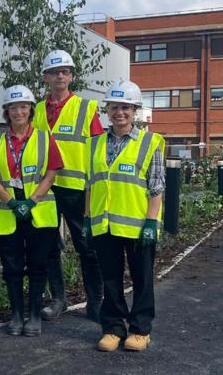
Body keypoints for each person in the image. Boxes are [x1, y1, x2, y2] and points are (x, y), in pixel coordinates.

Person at [85, 80, 165, 352]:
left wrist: (151, 222)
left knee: (142, 279)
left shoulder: (149, 142)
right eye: (115, 107)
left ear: (135, 111)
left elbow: (156, 187)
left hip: (138, 225)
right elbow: (91, 184)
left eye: (126, 107)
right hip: (104, 224)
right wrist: (87, 218)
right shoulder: (94, 144)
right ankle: (113, 328)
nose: (120, 112)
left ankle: (140, 330)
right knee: (110, 278)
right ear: (107, 110)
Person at [0, 85, 63, 337]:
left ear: (31, 110)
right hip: (8, 212)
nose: (19, 112)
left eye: (23, 107)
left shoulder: (44, 138)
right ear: (6, 111)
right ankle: (17, 315)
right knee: (12, 267)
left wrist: (31, 201)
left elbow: (51, 173)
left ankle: (35, 315)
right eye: (13, 107)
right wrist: (11, 202)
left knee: (38, 265)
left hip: (38, 211)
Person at [33, 49, 106, 322]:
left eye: (64, 71)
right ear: (46, 77)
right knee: (49, 245)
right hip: (45, 189)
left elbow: (98, 150)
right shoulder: (37, 110)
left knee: (86, 246)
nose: (60, 76)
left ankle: (95, 302)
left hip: (77, 190)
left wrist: (95, 187)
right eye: (54, 72)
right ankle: (59, 299)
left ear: (71, 76)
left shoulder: (86, 108)